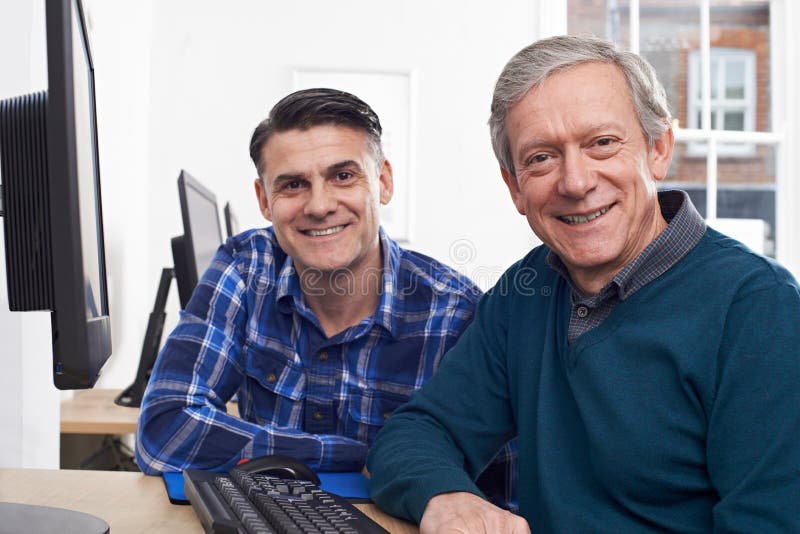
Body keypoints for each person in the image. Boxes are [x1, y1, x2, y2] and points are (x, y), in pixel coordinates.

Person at [366, 35, 800, 533]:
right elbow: (416, 432)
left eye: (602, 143)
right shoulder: (524, 289)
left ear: (658, 149)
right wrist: (445, 496)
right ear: (514, 188)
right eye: (541, 158)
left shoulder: (760, 310)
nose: (575, 182)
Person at [135, 88, 516, 509]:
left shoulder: (454, 313)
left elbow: (500, 490)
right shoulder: (247, 268)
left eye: (343, 176)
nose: (318, 206)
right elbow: (165, 430)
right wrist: (370, 453)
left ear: (383, 182)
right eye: (293, 184)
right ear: (264, 200)